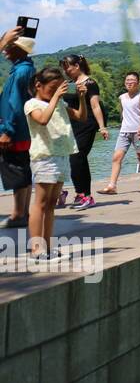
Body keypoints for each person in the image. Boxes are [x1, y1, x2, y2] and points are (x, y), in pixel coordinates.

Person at [25, 66, 87, 260]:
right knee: (40, 202)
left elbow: (81, 116)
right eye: (52, 88)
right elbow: (42, 120)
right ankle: (36, 248)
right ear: (38, 85)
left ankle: (48, 245)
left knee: (52, 203)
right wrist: (55, 98)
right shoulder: (32, 104)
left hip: (62, 155)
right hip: (44, 157)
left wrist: (81, 97)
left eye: (59, 88)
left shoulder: (57, 103)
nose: (56, 92)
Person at [58, 55, 107, 210]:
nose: (65, 70)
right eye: (64, 67)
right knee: (75, 159)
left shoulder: (90, 83)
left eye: (67, 67)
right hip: (72, 125)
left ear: (77, 66)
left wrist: (102, 127)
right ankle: (80, 194)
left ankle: (86, 195)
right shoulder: (69, 84)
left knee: (77, 157)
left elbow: (95, 106)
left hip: (88, 123)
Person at [0, 27, 36, 230]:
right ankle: (23, 211)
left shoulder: (20, 72)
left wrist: (7, 131)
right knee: (23, 169)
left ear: (20, 50)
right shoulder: (26, 69)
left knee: (15, 169)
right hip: (23, 130)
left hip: (14, 130)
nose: (5, 51)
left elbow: (15, 103)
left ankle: (18, 213)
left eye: (9, 47)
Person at [101, 71, 140, 197]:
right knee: (116, 157)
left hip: (138, 132)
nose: (129, 82)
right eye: (127, 80)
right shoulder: (122, 97)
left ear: (138, 83)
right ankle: (112, 185)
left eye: (132, 80)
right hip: (124, 132)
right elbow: (123, 114)